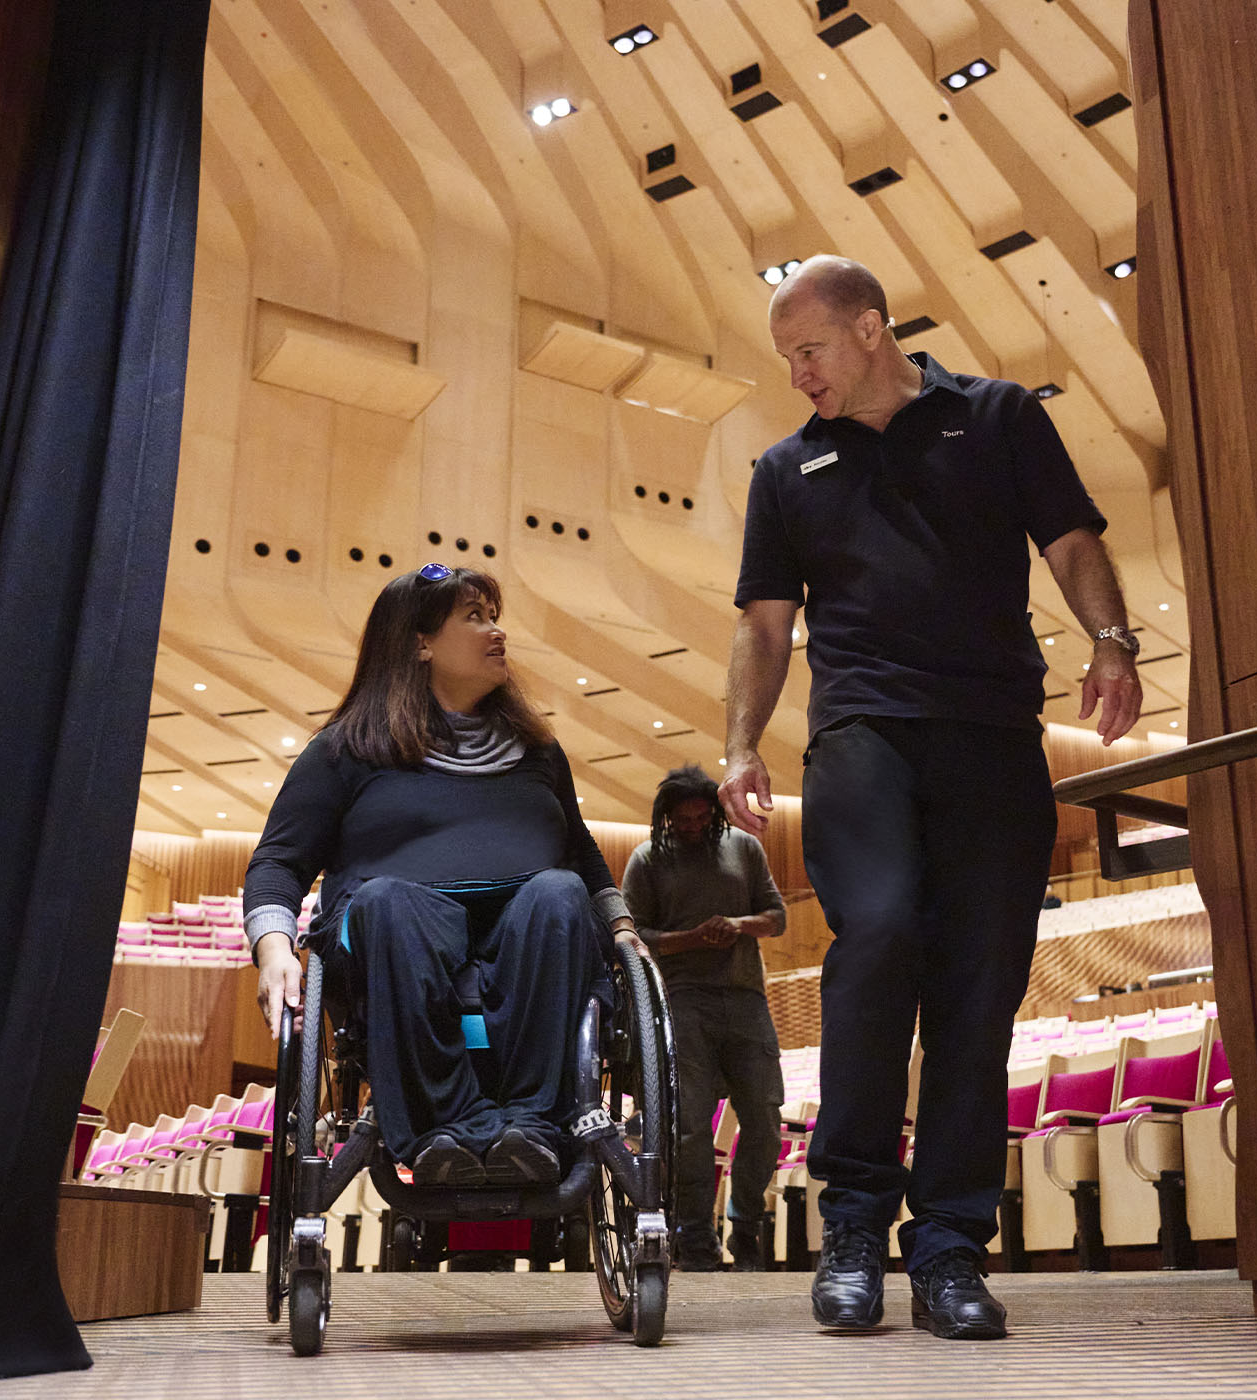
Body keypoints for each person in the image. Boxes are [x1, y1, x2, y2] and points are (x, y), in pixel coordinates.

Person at [720, 256, 1143, 1340]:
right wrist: (739, 743)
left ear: (868, 328)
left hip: (995, 734)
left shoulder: (994, 417)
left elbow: (1072, 539)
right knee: (881, 933)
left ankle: (950, 1245)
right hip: (862, 730)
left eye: (808, 348)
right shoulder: (787, 468)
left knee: (979, 980)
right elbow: (765, 623)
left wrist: (1110, 641)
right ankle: (854, 1225)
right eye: (786, 358)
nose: (798, 373)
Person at [243, 563, 635, 1189]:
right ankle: (441, 1130)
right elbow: (279, 862)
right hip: (394, 934)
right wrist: (272, 948)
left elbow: (579, 850)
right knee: (390, 902)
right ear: (420, 643)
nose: (496, 631)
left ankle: (531, 1126)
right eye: (475, 617)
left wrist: (620, 925)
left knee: (559, 892)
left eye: (494, 615)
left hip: (532, 935)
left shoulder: (537, 749)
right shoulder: (348, 747)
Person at [623, 765, 788, 1272]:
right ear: (666, 819)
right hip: (682, 1001)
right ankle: (694, 1237)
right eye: (682, 820)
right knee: (691, 1127)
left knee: (763, 1116)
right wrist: (691, 938)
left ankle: (745, 1226)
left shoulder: (744, 848)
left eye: (701, 817)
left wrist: (736, 925)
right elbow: (632, 936)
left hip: (744, 997)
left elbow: (776, 918)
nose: (693, 826)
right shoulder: (647, 858)